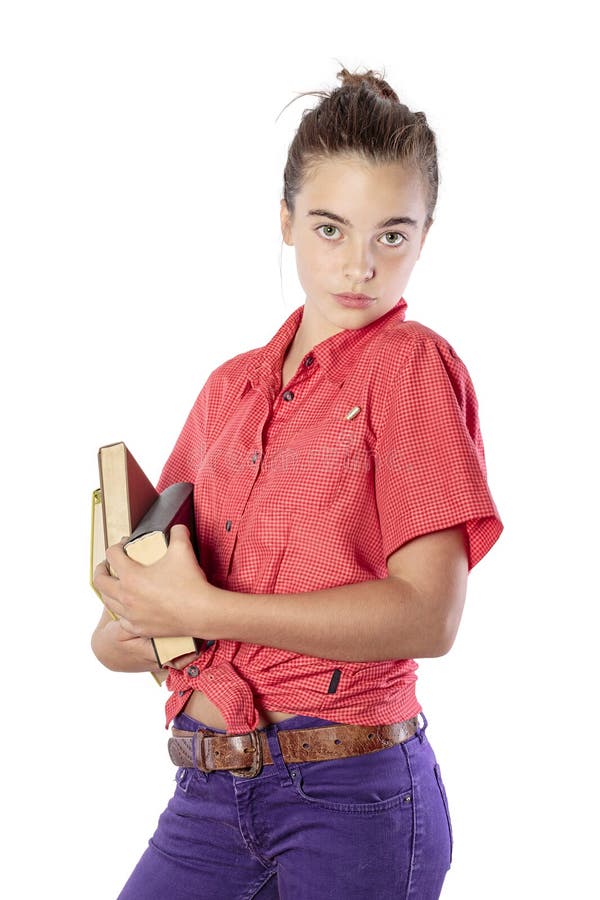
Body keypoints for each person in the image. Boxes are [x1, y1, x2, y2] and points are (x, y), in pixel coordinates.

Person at [92, 65, 503, 900]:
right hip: (206, 792)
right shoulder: (228, 391)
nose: (360, 266)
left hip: (352, 800)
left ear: (425, 235)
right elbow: (126, 625)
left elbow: (429, 614)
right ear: (285, 221)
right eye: (329, 228)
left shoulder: (411, 367)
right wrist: (131, 621)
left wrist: (204, 610)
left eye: (392, 235)